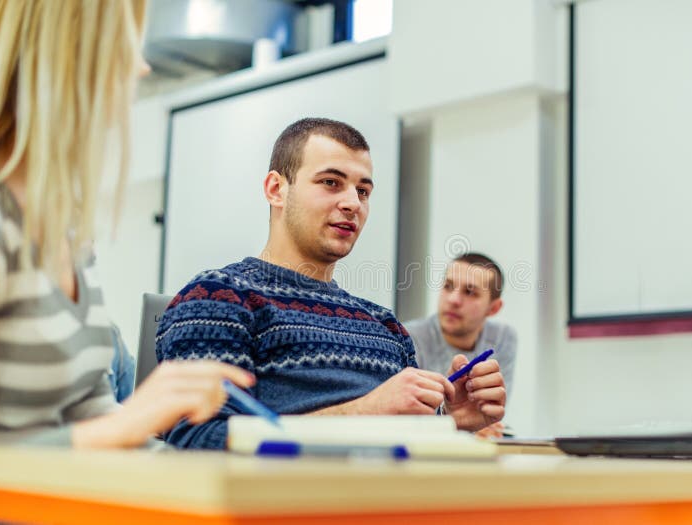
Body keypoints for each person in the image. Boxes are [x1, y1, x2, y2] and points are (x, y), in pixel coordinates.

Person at [0, 0, 254, 448]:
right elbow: (106, 431)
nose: (141, 68)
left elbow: (94, 416)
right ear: (67, 54)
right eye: (126, 44)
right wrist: (130, 422)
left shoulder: (64, 232)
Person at [157, 118, 506, 449]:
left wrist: (450, 421)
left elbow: (406, 444)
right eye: (331, 183)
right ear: (276, 189)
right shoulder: (219, 297)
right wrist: (365, 412)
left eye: (364, 191)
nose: (353, 203)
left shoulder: (384, 325)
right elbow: (199, 441)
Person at [405, 253, 517, 438]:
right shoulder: (406, 336)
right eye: (448, 287)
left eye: (469, 292)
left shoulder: (504, 338)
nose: (453, 300)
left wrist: (483, 422)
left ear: (494, 308)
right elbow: (403, 420)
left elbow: (492, 411)